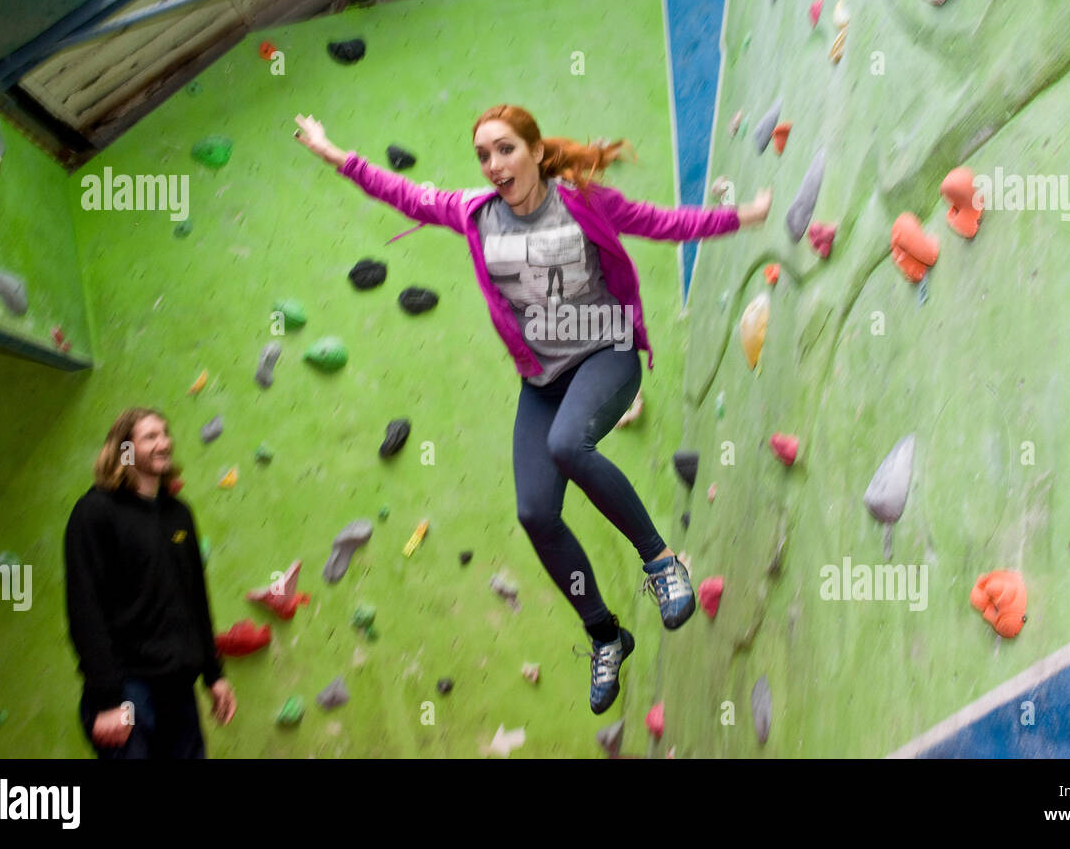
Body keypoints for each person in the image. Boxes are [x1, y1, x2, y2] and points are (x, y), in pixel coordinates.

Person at [294, 105, 771, 714]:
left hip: (606, 352)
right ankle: (605, 635)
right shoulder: (476, 215)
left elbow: (665, 222)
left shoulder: (583, 203)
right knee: (535, 512)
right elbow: (404, 193)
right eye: (483, 156)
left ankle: (660, 562)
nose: (494, 165)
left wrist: (746, 215)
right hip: (544, 383)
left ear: (537, 152)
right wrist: (333, 152)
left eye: (505, 150)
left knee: (569, 445)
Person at [64, 407, 236, 757]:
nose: (164, 443)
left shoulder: (178, 513)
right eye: (150, 437)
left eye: (165, 434)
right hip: (128, 691)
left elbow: (195, 601)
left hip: (178, 689)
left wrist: (213, 674)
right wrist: (110, 699)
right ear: (124, 450)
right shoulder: (95, 512)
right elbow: (84, 609)